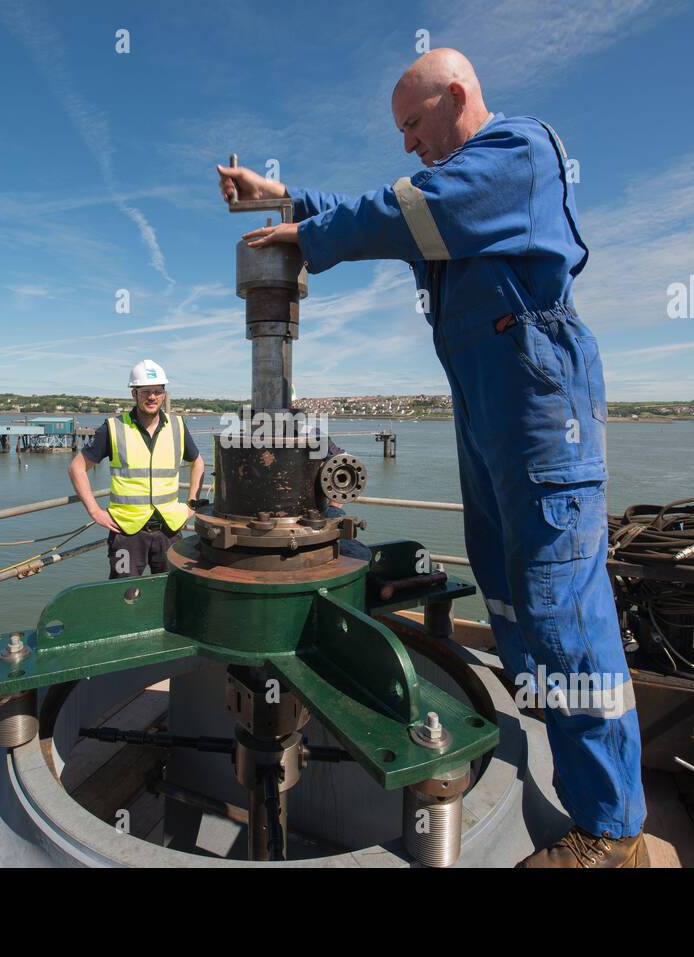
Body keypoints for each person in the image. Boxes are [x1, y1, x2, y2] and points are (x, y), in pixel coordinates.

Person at [217, 48, 648, 867]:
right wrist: (285, 198)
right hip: (489, 416)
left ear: (456, 96)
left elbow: (397, 210)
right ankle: (549, 732)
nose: (408, 144)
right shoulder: (449, 203)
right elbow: (379, 209)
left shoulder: (517, 156)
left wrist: (308, 234)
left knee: (564, 606)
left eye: (413, 125)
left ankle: (612, 829)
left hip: (540, 409)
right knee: (509, 587)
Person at [68, 359, 206, 579]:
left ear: (164, 394)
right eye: (146, 392)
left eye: (158, 391)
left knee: (170, 592)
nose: (152, 397)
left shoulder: (177, 426)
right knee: (125, 594)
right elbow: (77, 468)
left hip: (169, 530)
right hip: (127, 533)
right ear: (134, 394)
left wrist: (192, 503)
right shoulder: (114, 428)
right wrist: (95, 511)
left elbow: (197, 462)